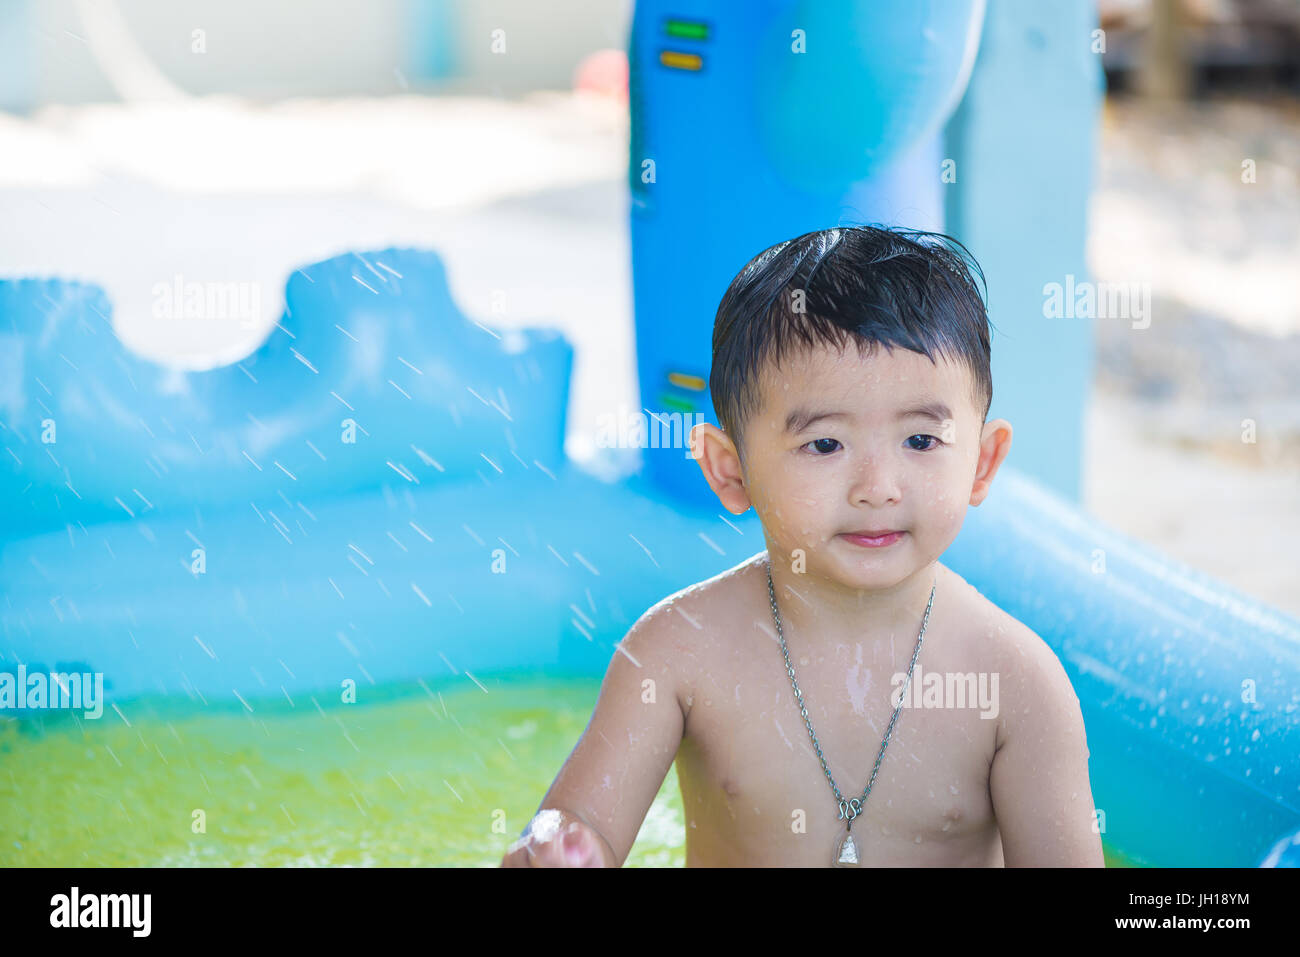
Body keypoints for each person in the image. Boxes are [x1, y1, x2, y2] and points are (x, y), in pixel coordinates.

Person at [501, 225, 1104, 867]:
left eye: (921, 441)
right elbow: (579, 826)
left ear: (982, 463)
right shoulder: (676, 652)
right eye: (825, 444)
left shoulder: (1015, 682)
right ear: (730, 470)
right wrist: (555, 851)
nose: (878, 488)